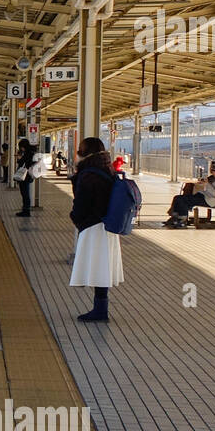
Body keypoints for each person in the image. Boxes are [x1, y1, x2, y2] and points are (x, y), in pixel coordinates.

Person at [69, 137, 122, 322]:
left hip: (93, 226)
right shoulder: (107, 169)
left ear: (84, 153)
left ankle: (100, 311)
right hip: (108, 225)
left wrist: (76, 218)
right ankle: (100, 307)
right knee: (102, 268)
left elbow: (81, 204)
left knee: (97, 267)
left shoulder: (88, 174)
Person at [164, 159, 215, 228]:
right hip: (205, 197)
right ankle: (176, 217)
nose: (212, 173)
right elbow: (210, 189)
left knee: (182, 200)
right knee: (177, 198)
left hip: (209, 201)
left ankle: (182, 220)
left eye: (213, 171)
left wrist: (207, 184)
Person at [14, 136, 35, 217]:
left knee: (25, 193)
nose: (21, 148)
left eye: (21, 147)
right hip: (27, 176)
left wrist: (19, 158)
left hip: (25, 177)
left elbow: (24, 163)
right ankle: (25, 209)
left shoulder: (28, 154)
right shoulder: (31, 152)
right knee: (25, 193)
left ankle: (26, 211)